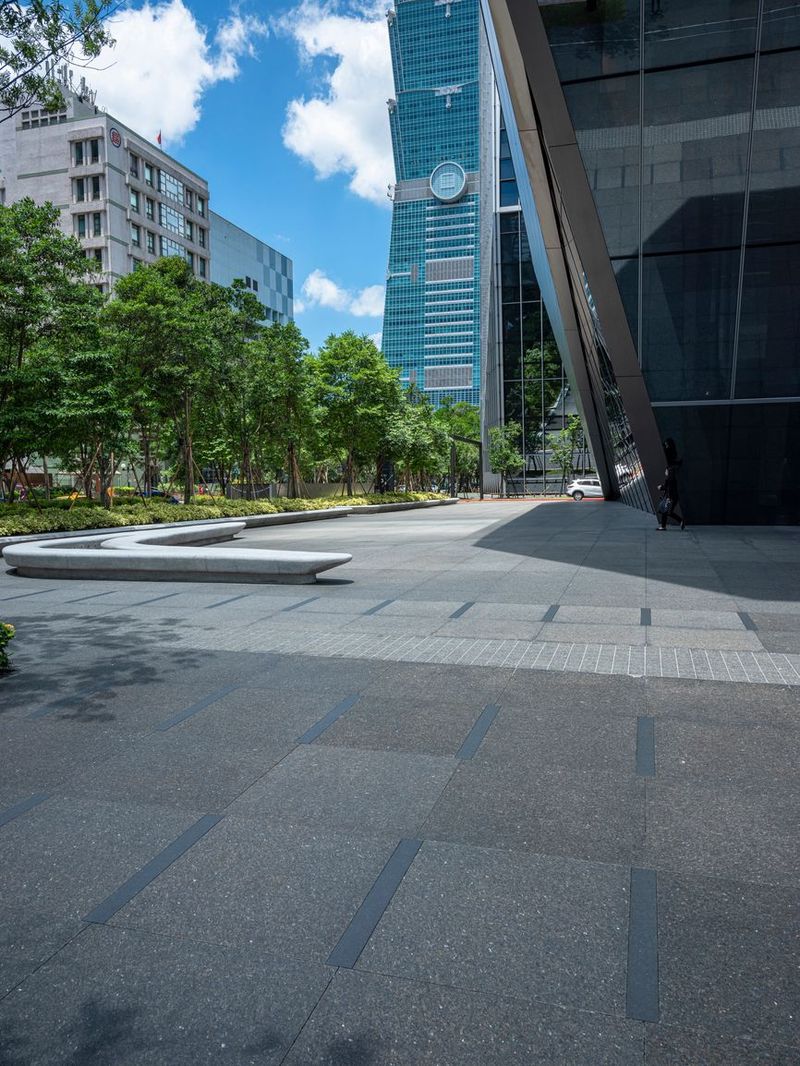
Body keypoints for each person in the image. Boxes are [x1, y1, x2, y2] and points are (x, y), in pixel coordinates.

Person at [657, 438, 686, 530]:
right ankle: (665, 526)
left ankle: (665, 526)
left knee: (666, 510)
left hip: (670, 496)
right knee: (665, 510)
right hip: (670, 495)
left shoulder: (670, 474)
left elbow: (669, 485)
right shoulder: (671, 474)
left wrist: (661, 487)